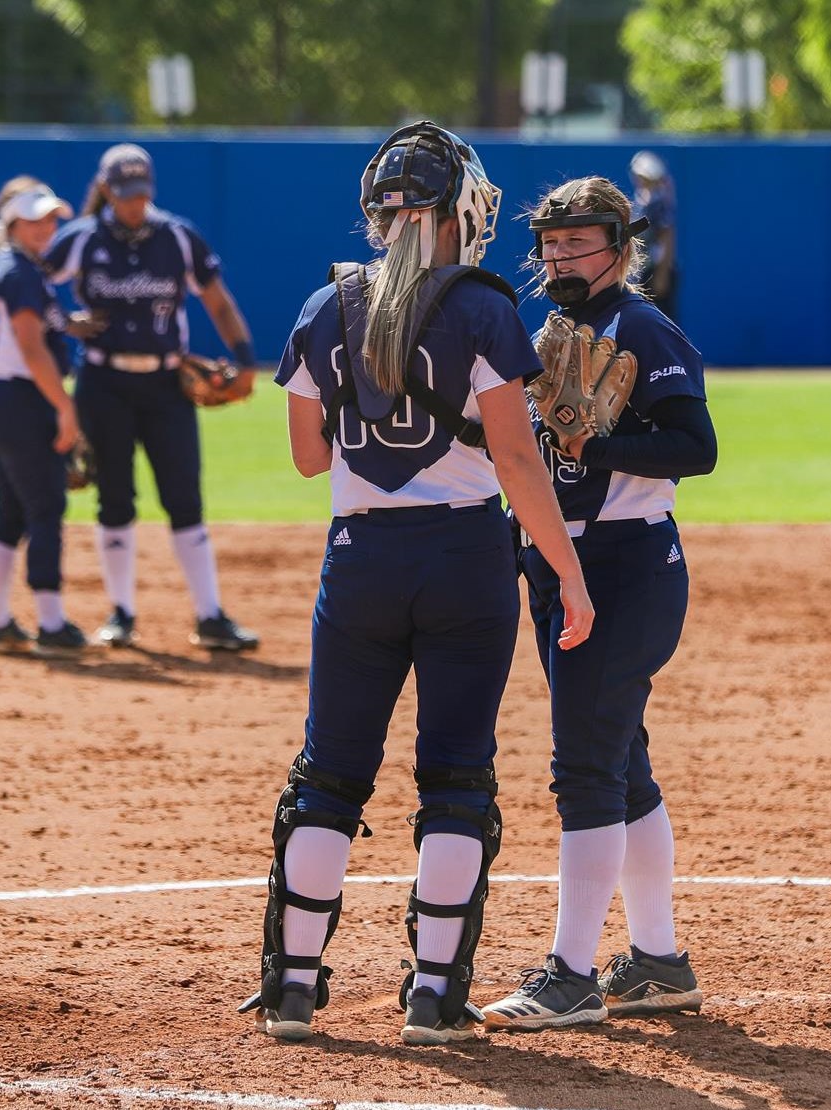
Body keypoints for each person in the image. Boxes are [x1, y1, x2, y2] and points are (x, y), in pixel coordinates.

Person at [239, 122, 594, 1047]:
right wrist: (570, 575)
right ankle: (435, 995)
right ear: (458, 214)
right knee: (454, 776)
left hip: (359, 560)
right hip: (466, 560)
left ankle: (292, 989)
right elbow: (518, 461)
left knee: (328, 777)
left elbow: (310, 461)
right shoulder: (484, 309)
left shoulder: (325, 307)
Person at [479, 175, 718, 1031]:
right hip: (561, 563)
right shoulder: (549, 332)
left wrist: (601, 442)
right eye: (550, 243)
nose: (560, 257)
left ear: (621, 248)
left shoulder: (642, 328)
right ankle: (658, 961)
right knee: (622, 765)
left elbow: (698, 447)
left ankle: (571, 974)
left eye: (578, 242)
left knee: (584, 768)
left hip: (624, 568)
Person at [44, 143, 260, 652]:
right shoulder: (80, 240)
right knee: (114, 496)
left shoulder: (177, 238)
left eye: (141, 193)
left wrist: (246, 360)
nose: (134, 204)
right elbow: (28, 285)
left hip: (166, 385)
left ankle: (210, 616)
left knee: (184, 495)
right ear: (105, 191)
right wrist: (62, 322)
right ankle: (121, 614)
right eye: (123, 195)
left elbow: (217, 301)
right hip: (104, 383)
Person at [0, 175, 88, 658]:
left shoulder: (12, 264)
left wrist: (70, 325)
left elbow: (28, 333)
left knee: (12, 512)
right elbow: (31, 348)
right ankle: (52, 625)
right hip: (21, 401)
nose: (46, 226)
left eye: (51, 218)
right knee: (45, 509)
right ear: (13, 222)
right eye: (34, 219)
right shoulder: (19, 271)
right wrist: (65, 408)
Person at [628, 151, 678, 323]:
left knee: (661, 320)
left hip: (655, 270)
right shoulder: (643, 200)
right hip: (643, 271)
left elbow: (667, 237)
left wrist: (662, 273)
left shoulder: (659, 202)